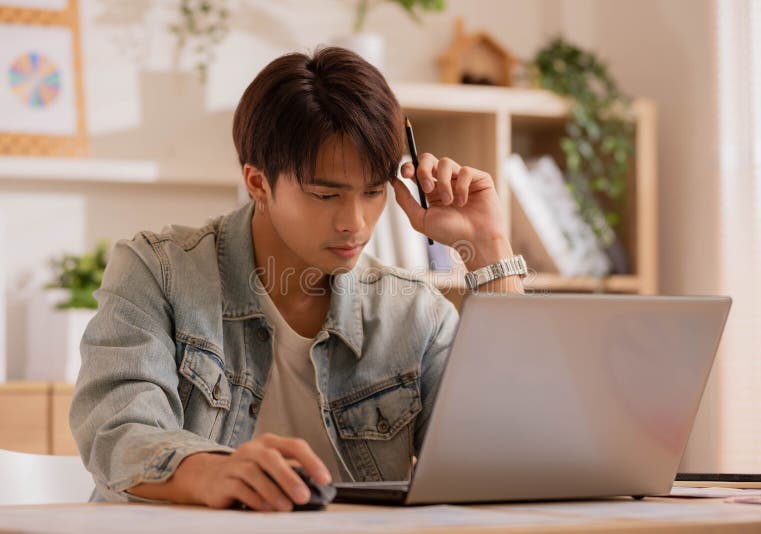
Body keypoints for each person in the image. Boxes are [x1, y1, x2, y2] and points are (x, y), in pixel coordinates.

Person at [69, 46, 524, 512]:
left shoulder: (413, 312)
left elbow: (504, 454)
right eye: (326, 194)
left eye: (372, 192)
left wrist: (490, 247)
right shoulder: (158, 272)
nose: (356, 223)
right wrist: (214, 470)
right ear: (258, 183)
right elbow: (117, 433)